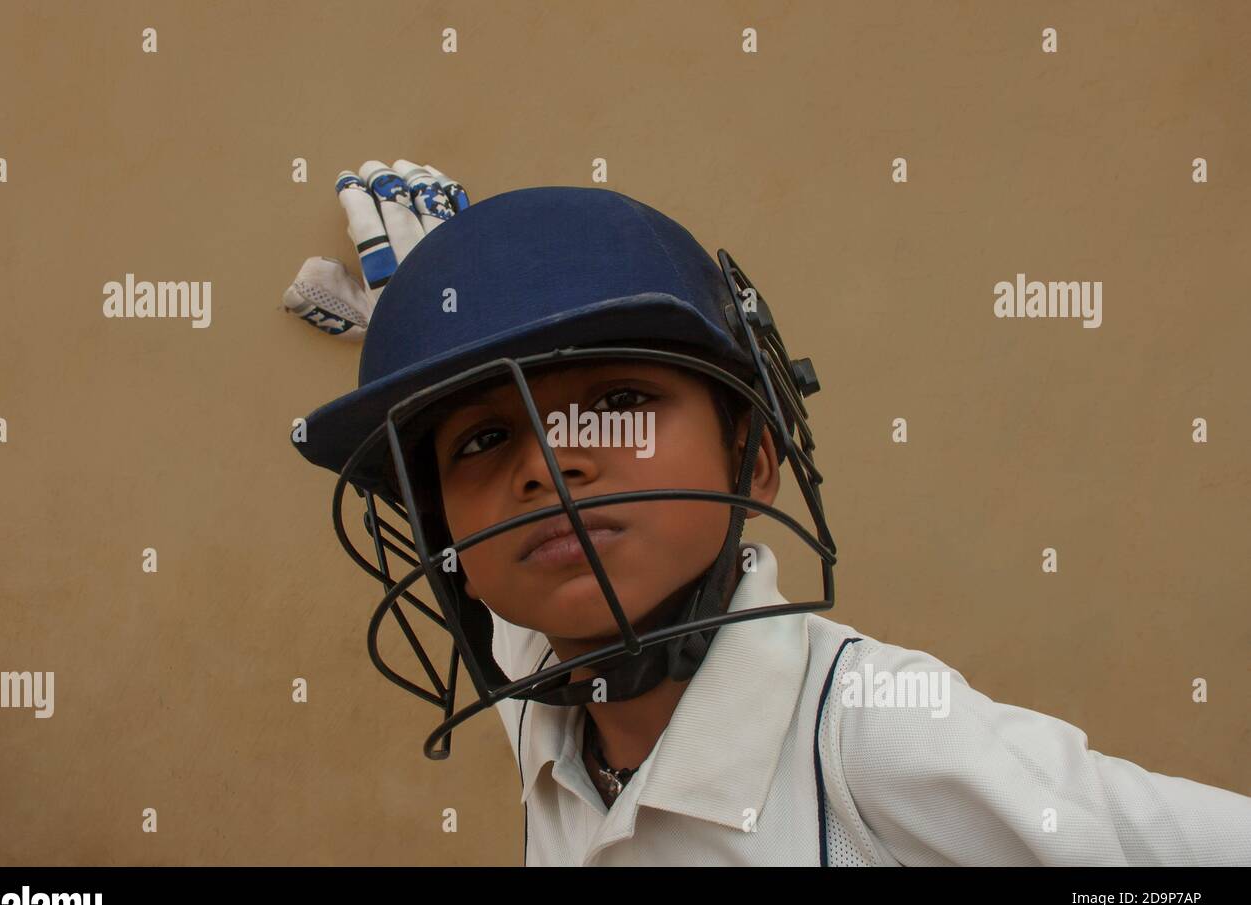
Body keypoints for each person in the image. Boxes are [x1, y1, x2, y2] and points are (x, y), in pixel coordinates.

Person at [292, 184, 1251, 866]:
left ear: (755, 456)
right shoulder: (539, 699)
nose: (547, 461)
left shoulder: (874, 736)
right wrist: (437, 310)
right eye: (485, 437)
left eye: (619, 399)